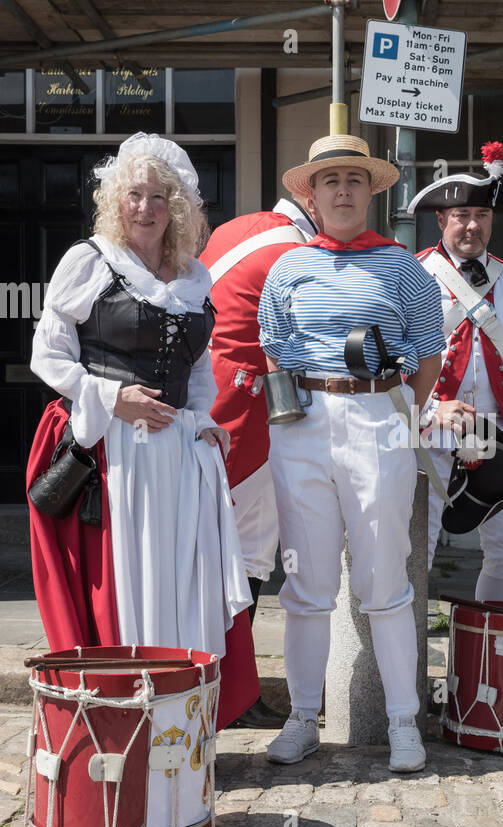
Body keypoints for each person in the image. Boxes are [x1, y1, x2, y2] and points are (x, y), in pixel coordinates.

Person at [26, 132, 257, 730]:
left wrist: (204, 420)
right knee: (129, 580)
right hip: (117, 450)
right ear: (115, 199)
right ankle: (131, 717)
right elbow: (47, 357)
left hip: (179, 454)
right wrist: (113, 398)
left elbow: (200, 367)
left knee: (182, 580)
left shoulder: (195, 276)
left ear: (177, 206)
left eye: (160, 196)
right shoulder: (90, 261)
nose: (146, 207)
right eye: (134, 194)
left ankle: (180, 722)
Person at [256, 134, 446, 773]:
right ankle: (303, 718)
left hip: (378, 418)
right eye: (330, 180)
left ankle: (402, 723)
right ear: (310, 192)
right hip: (303, 420)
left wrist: (390, 410)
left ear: (372, 191)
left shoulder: (404, 267)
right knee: (307, 586)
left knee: (385, 582)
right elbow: (275, 345)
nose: (342, 190)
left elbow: (428, 356)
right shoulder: (288, 268)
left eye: (354, 180)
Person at [408, 141, 503, 602]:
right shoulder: (412, 275)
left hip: (496, 434)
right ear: (441, 220)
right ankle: (410, 666)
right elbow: (393, 359)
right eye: (461, 215)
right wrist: (429, 410)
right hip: (431, 429)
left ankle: (485, 664)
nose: (472, 226)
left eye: (482, 214)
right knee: (418, 551)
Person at [199, 196, 319, 729]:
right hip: (249, 411)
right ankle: (233, 693)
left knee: (217, 551)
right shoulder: (295, 252)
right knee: (248, 555)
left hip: (209, 396)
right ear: (311, 199)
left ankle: (220, 687)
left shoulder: (236, 226)